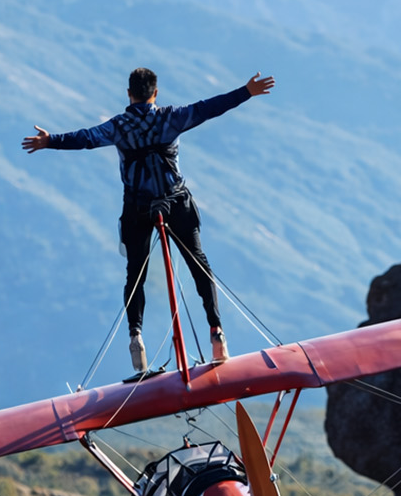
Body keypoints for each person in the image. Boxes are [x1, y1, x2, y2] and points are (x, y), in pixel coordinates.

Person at [22, 67, 274, 376]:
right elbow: (209, 108)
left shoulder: (119, 126)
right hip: (176, 203)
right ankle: (216, 331)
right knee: (198, 263)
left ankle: (136, 336)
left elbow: (87, 138)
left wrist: (52, 141)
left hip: (139, 208)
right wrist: (246, 91)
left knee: (135, 272)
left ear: (129, 94)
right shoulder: (171, 117)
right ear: (155, 93)